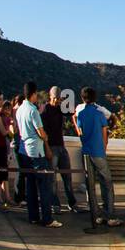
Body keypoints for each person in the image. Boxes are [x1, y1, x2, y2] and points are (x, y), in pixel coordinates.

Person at [16, 81, 60, 228]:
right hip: (36, 151)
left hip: (24, 151)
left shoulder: (20, 109)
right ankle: (47, 218)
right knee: (44, 186)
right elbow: (41, 132)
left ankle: (33, 216)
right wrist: (45, 137)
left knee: (31, 186)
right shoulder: (33, 111)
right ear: (33, 94)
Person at [76, 87, 121, 227]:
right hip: (98, 151)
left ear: (83, 98)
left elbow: (80, 132)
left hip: (86, 152)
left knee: (91, 184)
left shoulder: (81, 114)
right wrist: (103, 148)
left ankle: (96, 215)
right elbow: (104, 134)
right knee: (106, 183)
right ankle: (109, 215)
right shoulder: (99, 114)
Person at [41, 86, 81, 214]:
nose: (57, 100)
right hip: (52, 147)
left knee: (67, 176)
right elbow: (43, 133)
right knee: (52, 179)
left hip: (61, 146)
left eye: (58, 98)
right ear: (50, 97)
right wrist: (46, 148)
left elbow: (72, 112)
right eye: (55, 98)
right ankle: (55, 205)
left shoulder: (60, 108)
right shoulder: (46, 110)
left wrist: (66, 101)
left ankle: (72, 203)